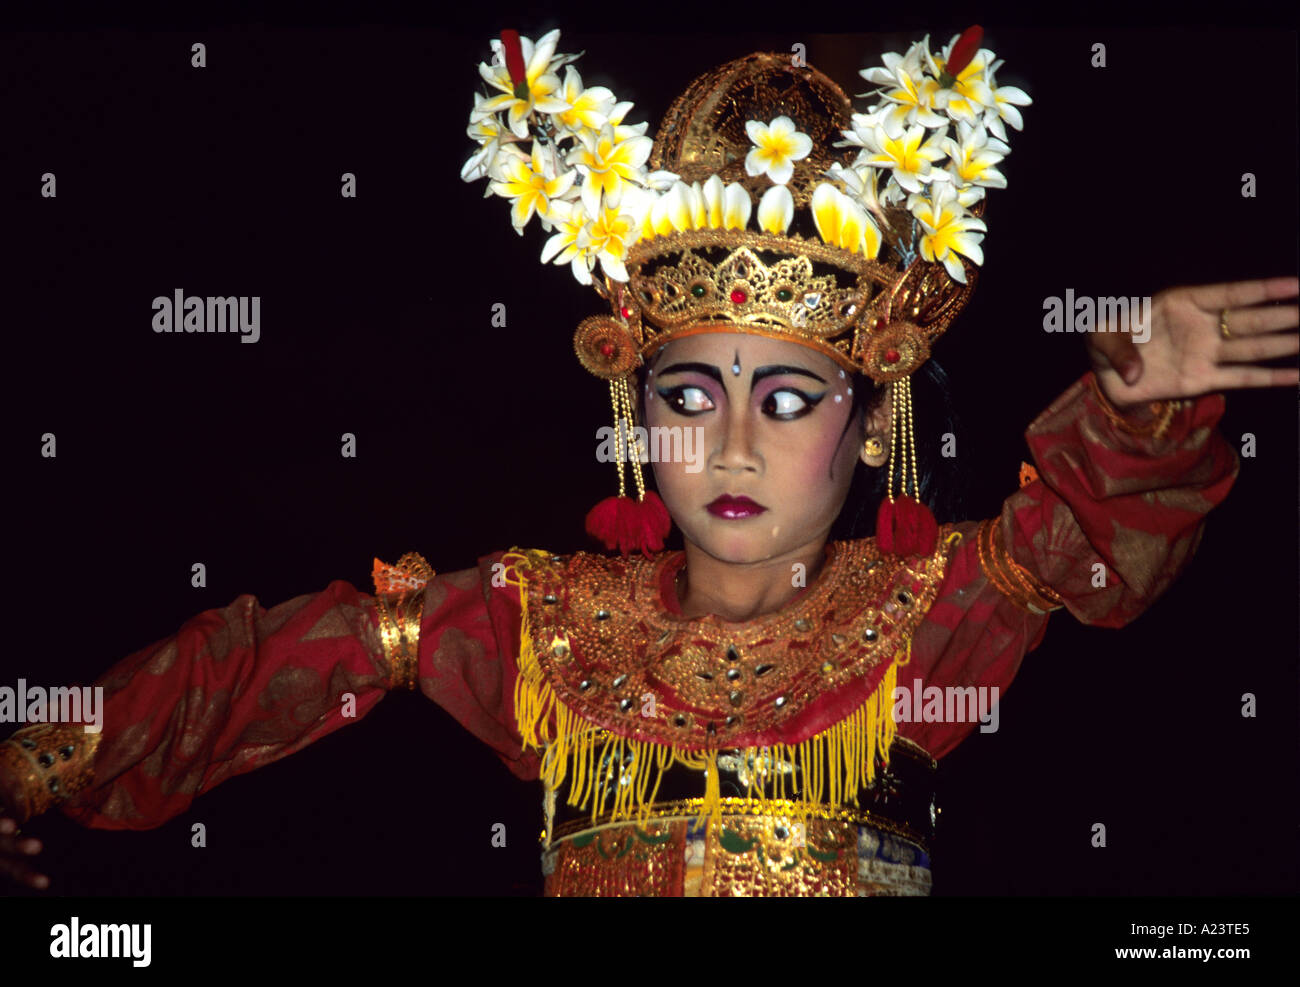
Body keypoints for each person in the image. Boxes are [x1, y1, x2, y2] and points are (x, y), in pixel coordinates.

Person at [1, 26, 1295, 896]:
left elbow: (1089, 554)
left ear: (869, 415)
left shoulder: (931, 620)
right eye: (689, 393)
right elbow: (279, 663)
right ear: (635, 411)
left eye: (787, 400)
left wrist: (1134, 410)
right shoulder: (542, 634)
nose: (729, 443)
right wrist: (40, 752)